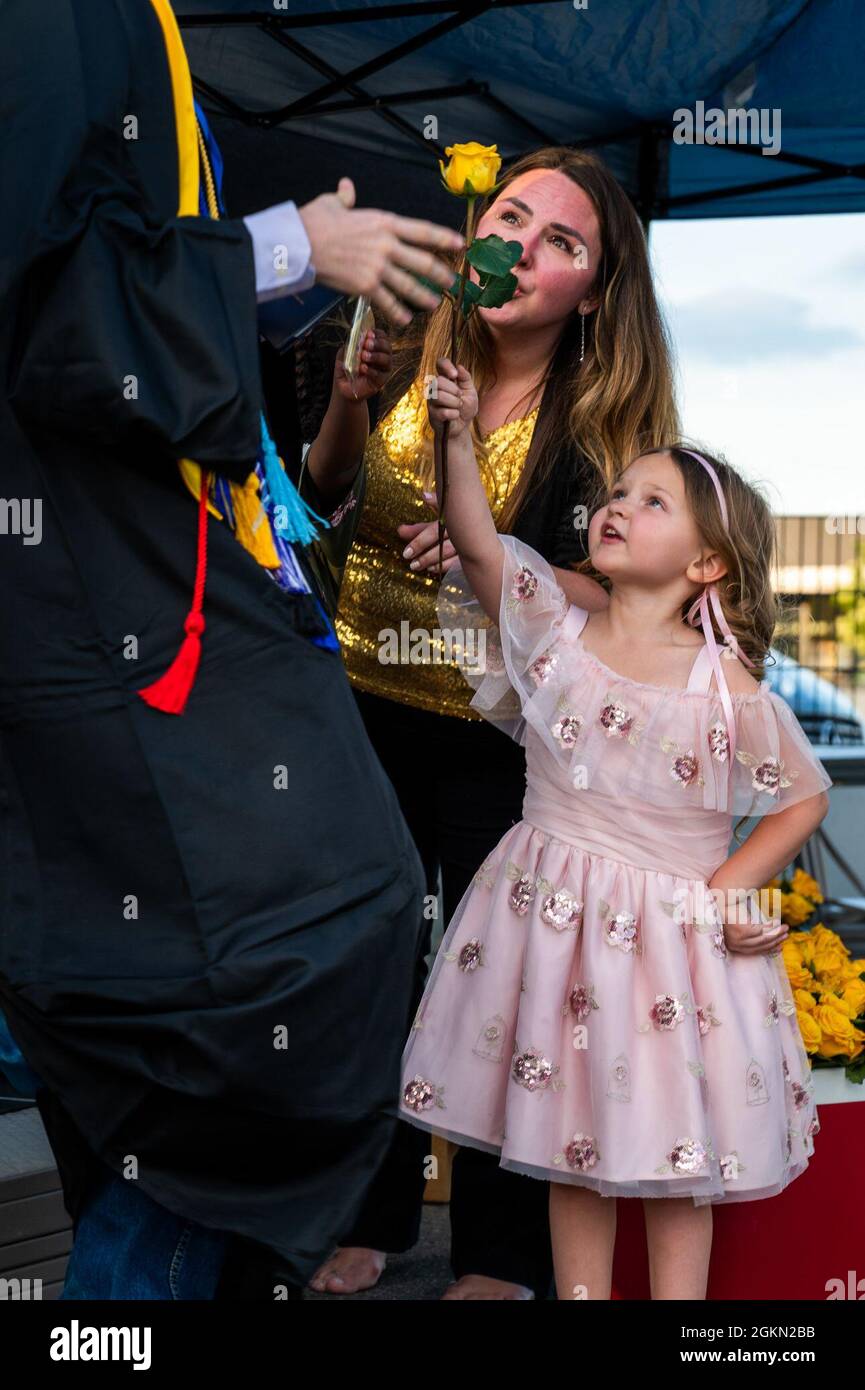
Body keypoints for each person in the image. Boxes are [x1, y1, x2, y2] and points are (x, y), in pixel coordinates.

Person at [0, 0, 465, 1300]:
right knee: (320, 930)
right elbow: (49, 291)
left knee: (178, 1008)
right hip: (90, 589)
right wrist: (283, 245)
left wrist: (264, 278)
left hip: (131, 579)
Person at [304, 147, 679, 1299]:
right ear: (475, 230)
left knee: (507, 985)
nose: (521, 244)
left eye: (562, 240)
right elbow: (320, 495)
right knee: (364, 968)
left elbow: (626, 590)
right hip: (360, 708)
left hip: (504, 735)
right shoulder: (400, 338)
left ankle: (499, 1251)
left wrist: (495, 561)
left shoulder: (606, 416)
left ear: (592, 291)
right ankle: (357, 1208)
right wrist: (349, 402)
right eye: (511, 215)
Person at [399, 359, 832, 1299]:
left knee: (676, 1161)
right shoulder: (553, 635)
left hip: (669, 949)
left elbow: (802, 795)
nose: (619, 505)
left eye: (653, 502)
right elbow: (480, 549)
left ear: (705, 563)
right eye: (619, 491)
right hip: (554, 928)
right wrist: (460, 438)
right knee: (566, 1141)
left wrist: (726, 890)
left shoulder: (722, 686)